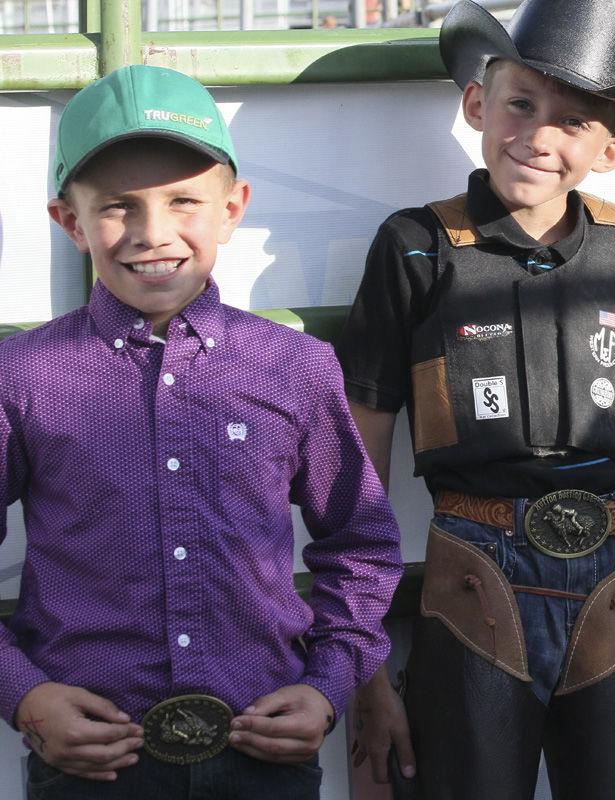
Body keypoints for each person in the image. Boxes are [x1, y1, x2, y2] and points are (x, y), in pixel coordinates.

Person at [336, 0, 615, 797]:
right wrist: (365, 669)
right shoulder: (416, 247)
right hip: (475, 578)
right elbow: (359, 474)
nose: (539, 137)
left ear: (611, 148)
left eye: (573, 121)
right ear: (479, 102)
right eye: (521, 103)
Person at [1, 65, 404, 799]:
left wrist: (327, 684)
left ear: (232, 207)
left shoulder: (296, 368)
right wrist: (24, 694)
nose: (154, 234)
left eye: (184, 200)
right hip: (89, 765)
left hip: (264, 758)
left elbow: (361, 544)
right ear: (70, 221)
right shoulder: (23, 377)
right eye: (119, 207)